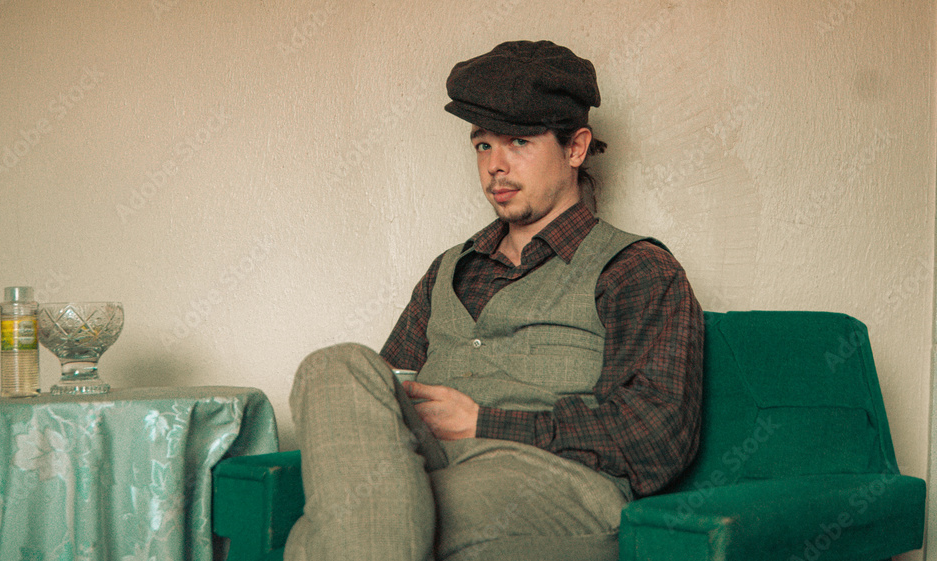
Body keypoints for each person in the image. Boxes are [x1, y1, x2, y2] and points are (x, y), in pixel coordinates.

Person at [286, 40, 704, 561]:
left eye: (519, 143)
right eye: (483, 145)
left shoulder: (636, 268)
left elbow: (658, 436)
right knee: (334, 366)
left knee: (325, 535)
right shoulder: (448, 269)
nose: (495, 167)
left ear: (575, 148)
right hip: (429, 460)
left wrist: (484, 422)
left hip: (553, 480)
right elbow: (381, 394)